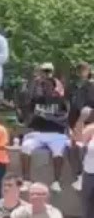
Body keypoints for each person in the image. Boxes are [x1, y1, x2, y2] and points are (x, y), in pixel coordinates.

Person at [18, 62, 72, 190]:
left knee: (58, 151)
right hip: (38, 133)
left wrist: (48, 116)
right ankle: (26, 180)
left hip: (56, 134)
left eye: (49, 86)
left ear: (54, 88)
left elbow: (64, 118)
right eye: (44, 86)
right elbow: (25, 116)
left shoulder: (60, 101)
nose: (46, 88)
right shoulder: (36, 100)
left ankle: (56, 181)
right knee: (25, 147)